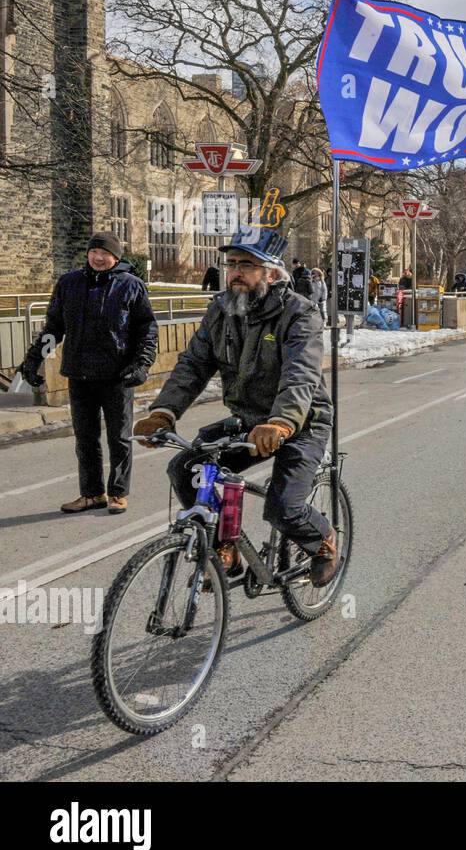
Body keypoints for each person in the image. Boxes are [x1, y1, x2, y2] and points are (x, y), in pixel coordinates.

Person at [132, 228, 339, 587]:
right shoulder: (221, 310)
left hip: (303, 420)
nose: (235, 273)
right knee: (187, 468)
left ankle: (323, 543)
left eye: (247, 265)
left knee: (283, 508)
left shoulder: (300, 313)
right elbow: (193, 366)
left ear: (272, 273)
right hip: (249, 420)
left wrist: (281, 422)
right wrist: (164, 412)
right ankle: (226, 549)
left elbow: (300, 375)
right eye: (231, 264)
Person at [19, 232, 157, 515]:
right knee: (85, 438)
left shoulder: (131, 285)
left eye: (104, 253)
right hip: (79, 373)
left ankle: (118, 492)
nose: (98, 257)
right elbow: (54, 327)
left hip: (117, 375)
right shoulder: (69, 283)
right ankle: (92, 494)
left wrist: (142, 363)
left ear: (115, 258)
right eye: (93, 251)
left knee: (118, 437)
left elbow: (147, 329)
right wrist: (32, 361)